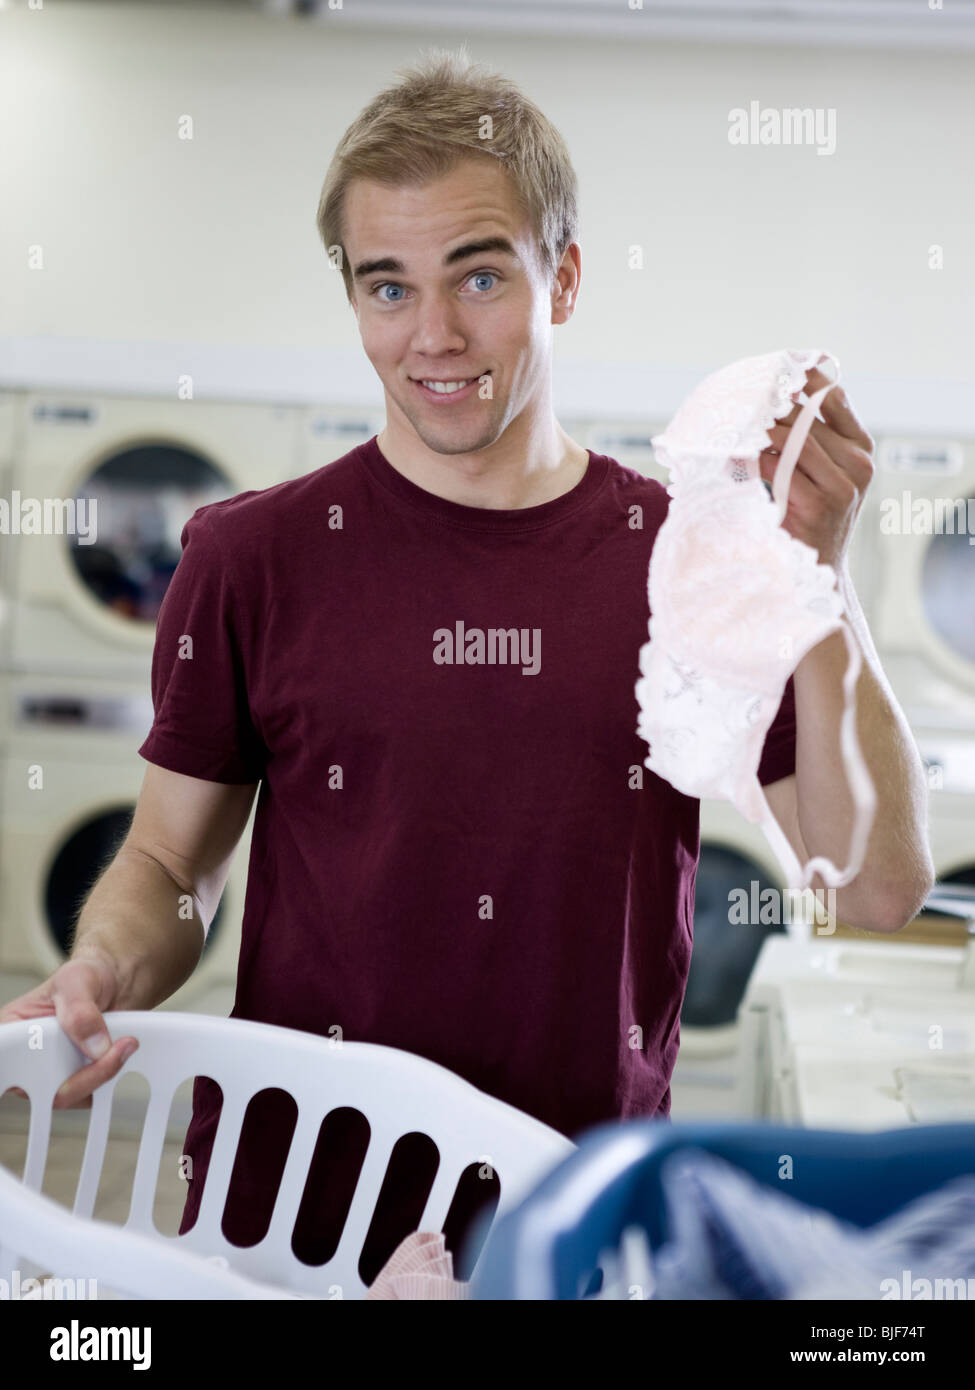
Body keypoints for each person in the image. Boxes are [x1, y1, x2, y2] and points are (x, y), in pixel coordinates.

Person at [0, 47, 933, 1290]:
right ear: (352, 299)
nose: (432, 334)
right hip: (285, 1218)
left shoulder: (682, 561)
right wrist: (103, 965)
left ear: (567, 279)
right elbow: (173, 862)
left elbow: (874, 889)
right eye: (387, 287)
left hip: (567, 1209)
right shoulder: (253, 553)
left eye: (479, 275)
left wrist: (817, 574)